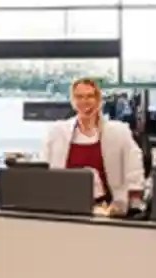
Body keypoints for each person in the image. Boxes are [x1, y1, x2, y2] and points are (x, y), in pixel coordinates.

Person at [40, 77, 145, 213]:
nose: (85, 101)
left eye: (90, 96)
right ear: (73, 101)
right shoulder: (56, 132)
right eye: (79, 97)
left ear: (99, 101)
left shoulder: (119, 132)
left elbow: (134, 170)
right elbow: (43, 170)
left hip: (109, 209)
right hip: (64, 208)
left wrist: (134, 203)